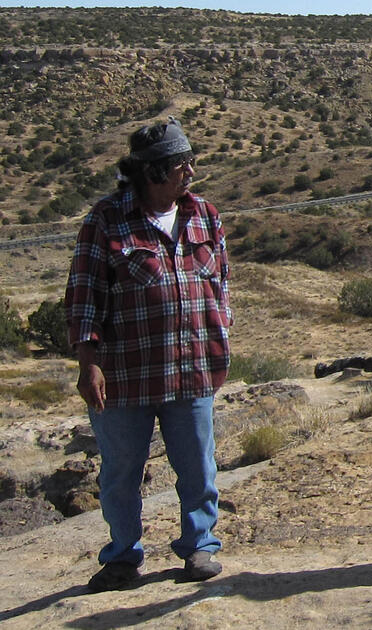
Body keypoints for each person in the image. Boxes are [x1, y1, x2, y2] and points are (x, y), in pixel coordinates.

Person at [65, 119, 231, 592]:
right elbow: (84, 296)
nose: (192, 172)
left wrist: (221, 333)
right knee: (120, 472)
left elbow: (220, 282)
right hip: (124, 375)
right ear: (154, 172)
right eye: (183, 165)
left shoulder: (205, 215)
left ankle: (200, 547)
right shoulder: (106, 220)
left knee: (199, 466)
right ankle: (122, 557)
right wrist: (88, 363)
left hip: (192, 367)